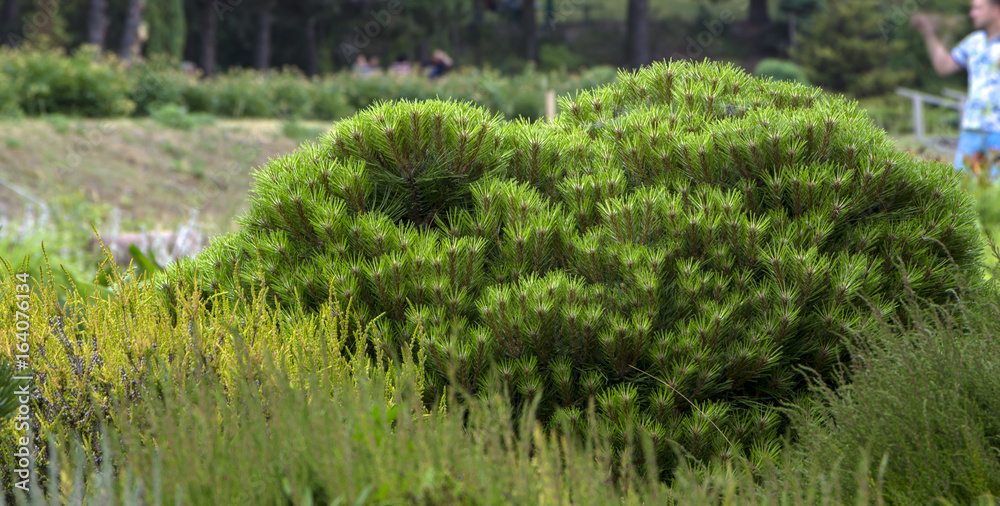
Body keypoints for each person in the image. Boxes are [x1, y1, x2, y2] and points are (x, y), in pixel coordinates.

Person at [912, 0, 1000, 179]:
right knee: (962, 190)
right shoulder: (974, 42)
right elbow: (944, 66)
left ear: (995, 9)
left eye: (977, 8)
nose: (972, 13)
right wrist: (929, 33)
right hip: (971, 128)